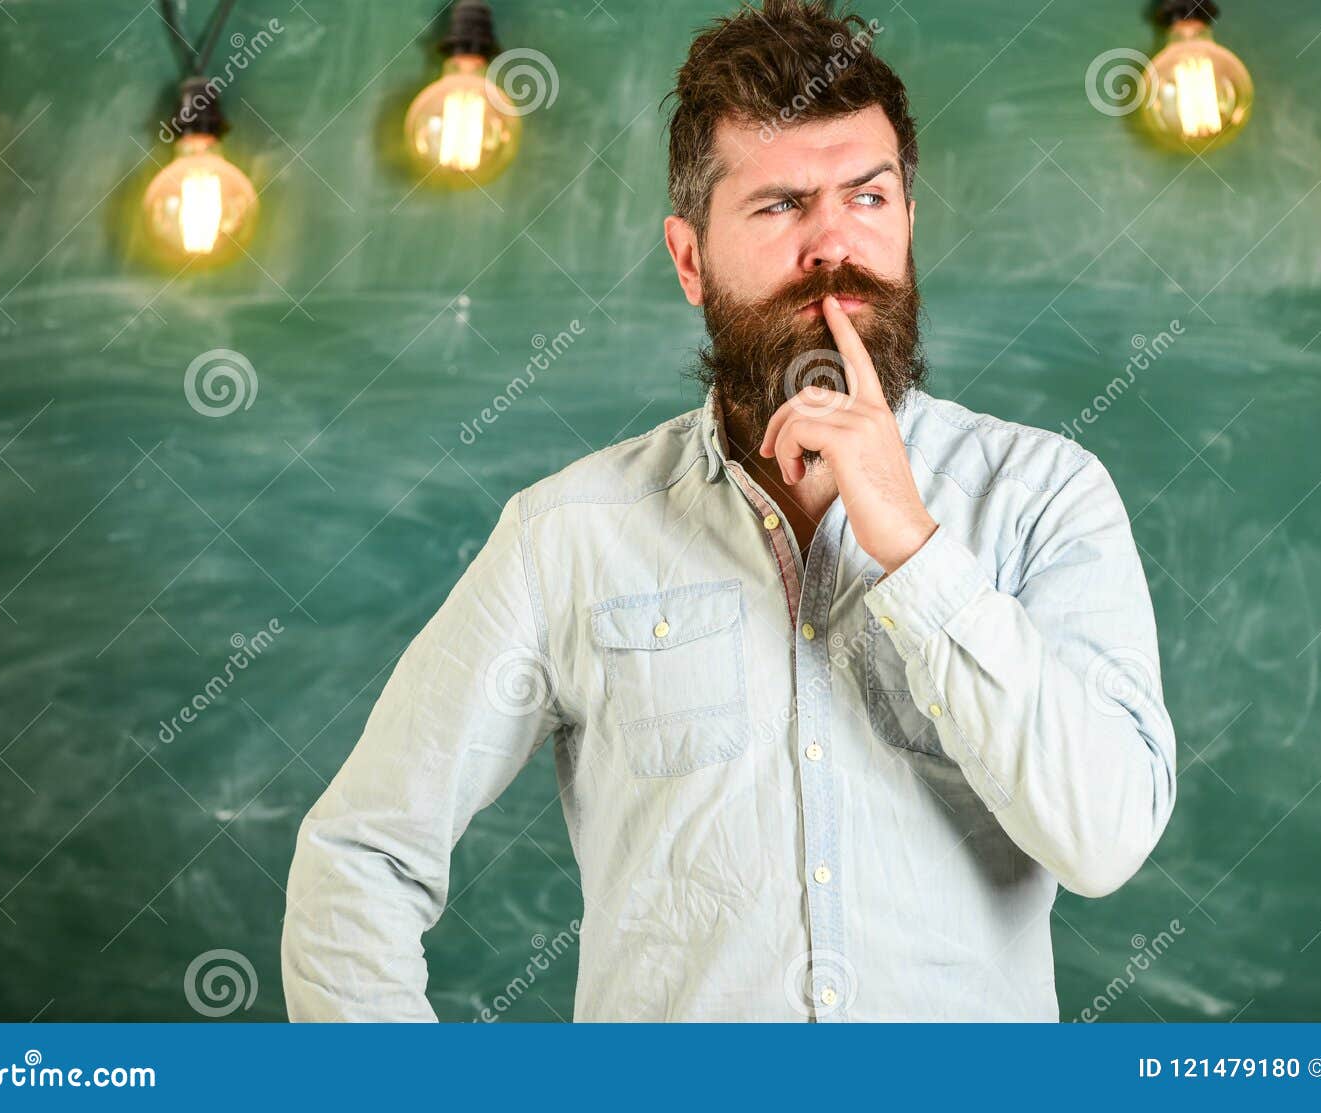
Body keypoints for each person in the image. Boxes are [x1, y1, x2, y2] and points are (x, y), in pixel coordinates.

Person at [282, 0, 1178, 1022]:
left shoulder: (1044, 498)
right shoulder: (566, 537)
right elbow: (361, 856)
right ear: (688, 257)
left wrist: (913, 550)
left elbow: (1103, 841)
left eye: (868, 197)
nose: (833, 247)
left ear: (909, 221)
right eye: (779, 205)